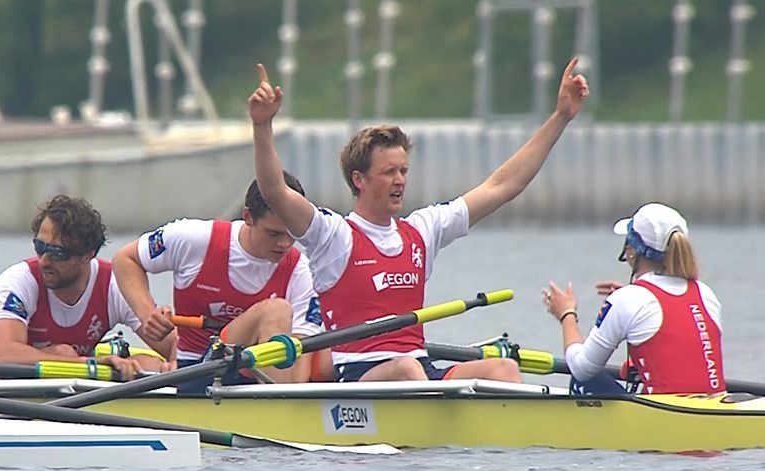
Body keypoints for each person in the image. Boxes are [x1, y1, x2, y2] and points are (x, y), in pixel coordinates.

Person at [250, 58, 589, 383]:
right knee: (409, 369)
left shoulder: (423, 229)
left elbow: (502, 186)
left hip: (415, 366)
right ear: (359, 180)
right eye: (388, 172)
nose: (400, 180)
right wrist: (262, 125)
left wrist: (560, 117)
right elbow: (275, 191)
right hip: (360, 373)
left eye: (403, 171)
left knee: (502, 369)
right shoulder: (333, 235)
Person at [113, 175, 326, 394]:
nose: (284, 243)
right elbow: (126, 259)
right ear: (248, 217)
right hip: (196, 372)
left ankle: (285, 410)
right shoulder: (195, 239)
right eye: (274, 233)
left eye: (291, 232)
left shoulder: (303, 272)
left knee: (329, 355)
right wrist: (148, 313)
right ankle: (283, 414)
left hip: (255, 378)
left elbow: (300, 360)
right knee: (276, 310)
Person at [0, 194, 170, 381]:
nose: (44, 261)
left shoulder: (113, 285)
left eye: (57, 253)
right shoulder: (19, 281)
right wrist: (82, 363)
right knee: (63, 352)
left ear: (87, 255)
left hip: (66, 389)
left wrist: (167, 364)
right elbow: (3, 355)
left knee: (149, 363)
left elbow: (176, 346)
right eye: (40, 247)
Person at [542, 203, 725, 395]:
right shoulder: (705, 294)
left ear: (632, 249)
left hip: (665, 417)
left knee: (585, 380)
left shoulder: (629, 300)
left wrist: (566, 314)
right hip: (714, 410)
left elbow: (581, 368)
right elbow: (684, 343)